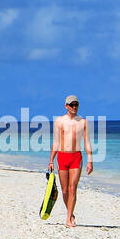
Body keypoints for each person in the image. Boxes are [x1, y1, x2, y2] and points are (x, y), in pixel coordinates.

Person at [49, 95, 93, 228]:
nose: (74, 107)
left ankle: (68, 219)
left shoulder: (83, 122)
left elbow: (87, 142)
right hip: (62, 157)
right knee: (64, 190)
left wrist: (90, 160)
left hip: (76, 157)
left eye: (76, 105)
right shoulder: (59, 121)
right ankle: (71, 213)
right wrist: (51, 160)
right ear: (66, 106)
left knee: (72, 188)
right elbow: (56, 142)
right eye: (71, 105)